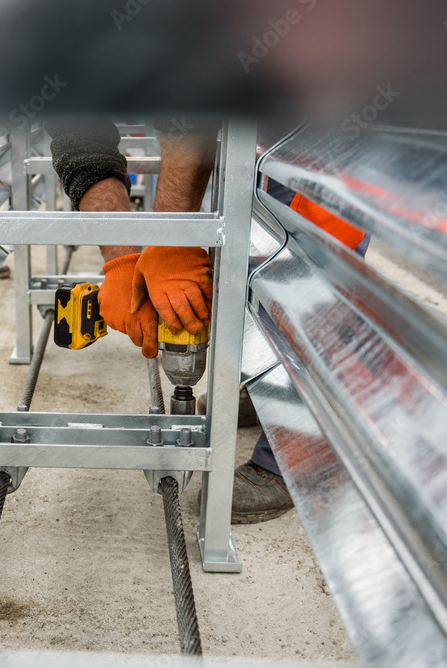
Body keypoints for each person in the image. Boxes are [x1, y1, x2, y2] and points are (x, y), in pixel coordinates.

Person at [47, 119, 368, 523]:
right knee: (257, 229)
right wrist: (120, 259)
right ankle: (271, 386)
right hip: (262, 117)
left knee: (311, 264)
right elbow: (82, 143)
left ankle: (295, 451)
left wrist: (172, 240)